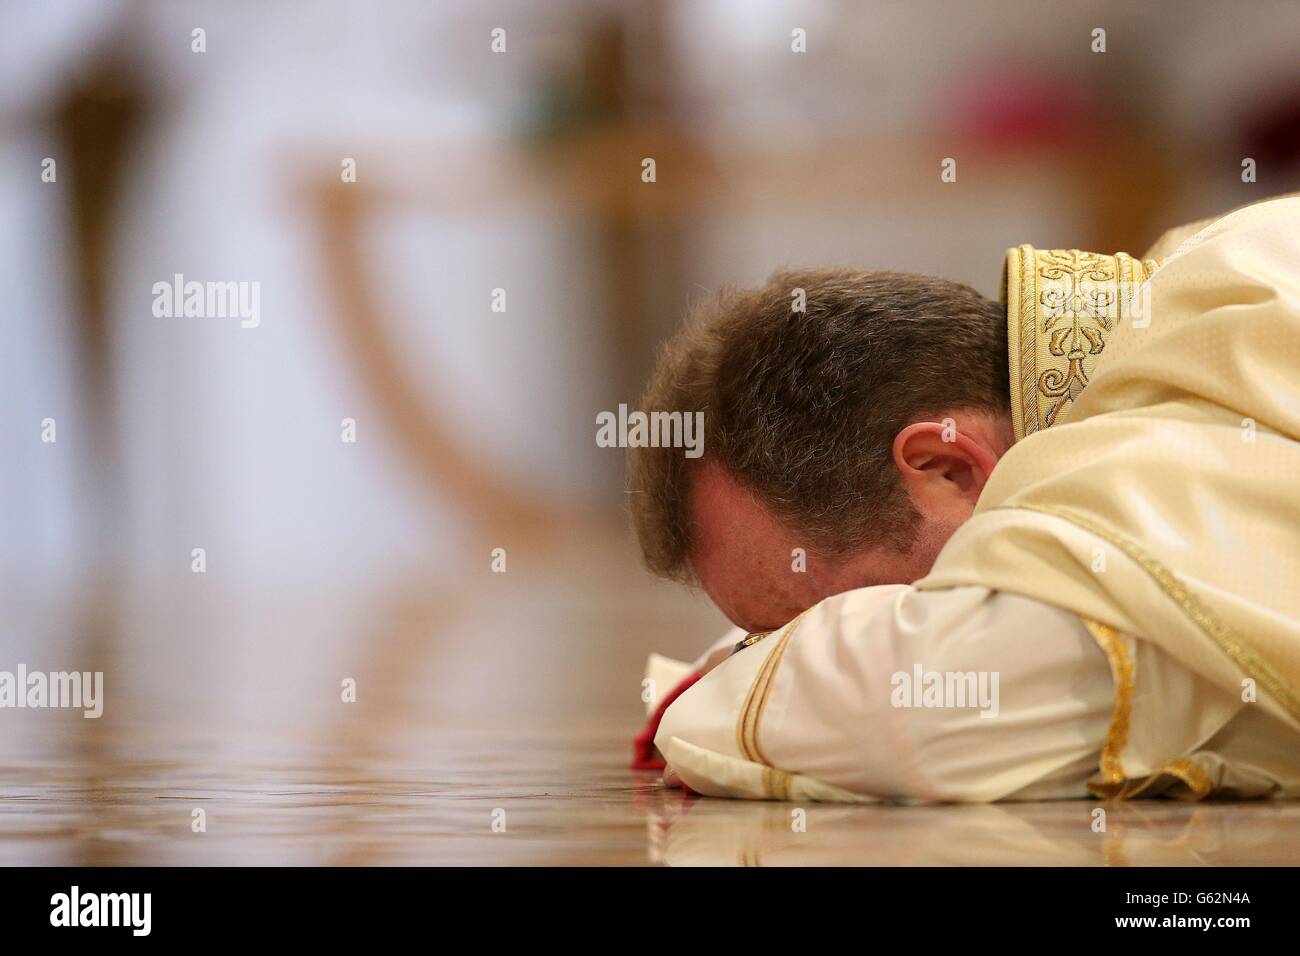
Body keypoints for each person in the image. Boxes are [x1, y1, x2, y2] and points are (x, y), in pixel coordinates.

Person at [628, 195, 1300, 802]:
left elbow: (917, 720)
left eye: (826, 618)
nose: (804, 643)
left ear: (944, 468)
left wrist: (706, 702)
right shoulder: (1222, 284)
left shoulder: (1153, 470)